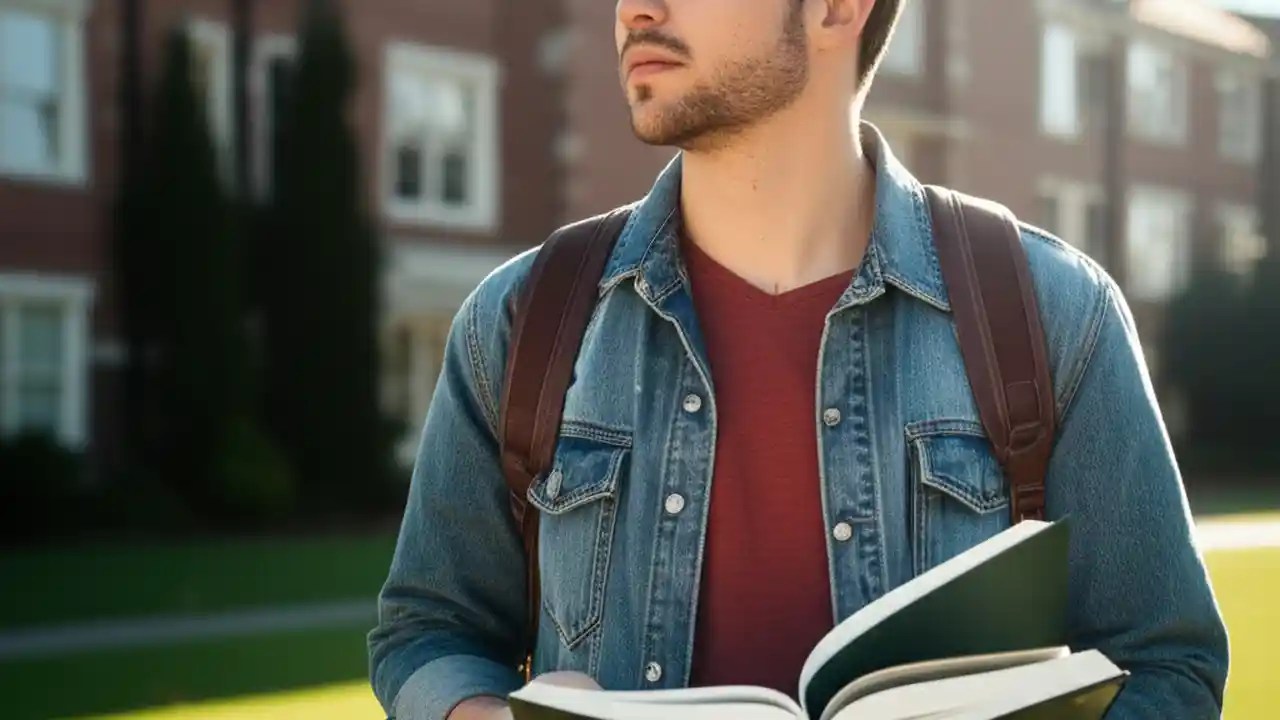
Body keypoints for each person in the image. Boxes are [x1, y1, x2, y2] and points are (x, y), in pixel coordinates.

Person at [368, 0, 1229, 718]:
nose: (634, 8)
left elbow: (1169, 664)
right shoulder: (523, 321)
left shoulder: (1054, 313)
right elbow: (427, 630)